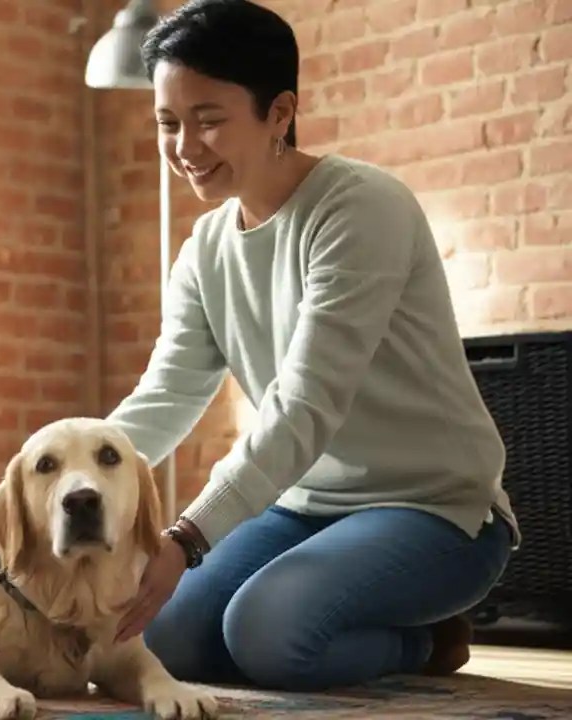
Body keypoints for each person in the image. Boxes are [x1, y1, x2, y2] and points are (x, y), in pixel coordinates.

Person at [104, 0, 520, 693]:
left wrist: (185, 538)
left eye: (208, 119)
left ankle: (423, 641)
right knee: (165, 637)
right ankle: (348, 614)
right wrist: (61, 478)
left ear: (279, 112)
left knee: (268, 635)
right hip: (301, 505)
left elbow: (305, 405)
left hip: (435, 512)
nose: (184, 146)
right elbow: (167, 394)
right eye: (168, 123)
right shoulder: (205, 250)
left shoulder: (360, 208)